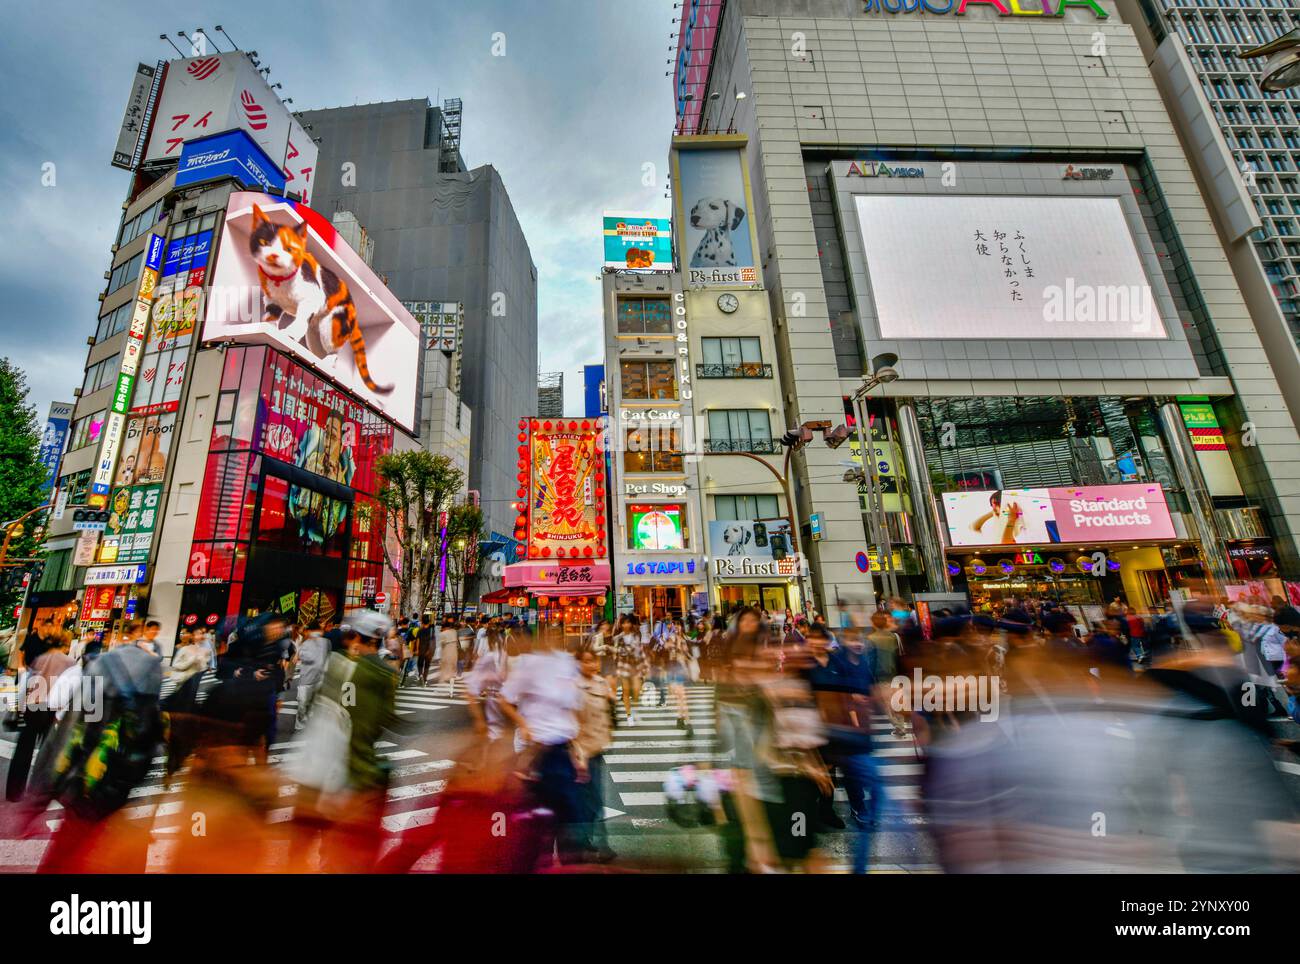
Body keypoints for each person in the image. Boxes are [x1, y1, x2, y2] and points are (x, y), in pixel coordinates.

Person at [498, 624, 585, 863]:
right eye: (550, 634)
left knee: (570, 823)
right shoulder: (529, 664)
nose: (554, 639)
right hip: (537, 753)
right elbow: (504, 700)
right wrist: (524, 726)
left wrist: (578, 753)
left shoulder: (567, 663)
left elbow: (571, 711)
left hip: (562, 751)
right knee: (536, 828)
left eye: (559, 634)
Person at [5, 632, 74, 801]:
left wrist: (19, 708)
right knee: (48, 752)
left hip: (32, 707)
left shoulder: (40, 659)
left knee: (23, 750)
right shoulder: (70, 663)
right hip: (51, 710)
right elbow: (68, 692)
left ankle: (14, 792)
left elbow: (26, 684)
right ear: (65, 645)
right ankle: (39, 791)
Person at [574, 648, 617, 863]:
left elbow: (609, 713)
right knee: (591, 802)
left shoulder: (601, 683)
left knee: (593, 801)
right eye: (587, 661)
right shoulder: (573, 687)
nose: (592, 665)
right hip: (581, 753)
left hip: (598, 749)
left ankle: (590, 843)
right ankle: (595, 844)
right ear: (578, 663)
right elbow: (570, 723)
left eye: (594, 661)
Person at [294, 619, 331, 731]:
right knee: (302, 703)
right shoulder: (305, 644)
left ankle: (309, 724)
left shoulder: (326, 642)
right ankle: (300, 725)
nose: (318, 633)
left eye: (319, 630)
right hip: (307, 678)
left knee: (313, 703)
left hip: (320, 678)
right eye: (315, 631)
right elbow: (303, 657)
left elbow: (328, 657)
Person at [614, 616, 645, 725]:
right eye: (624, 623)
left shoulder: (635, 636)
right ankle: (629, 716)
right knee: (626, 691)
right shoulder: (618, 637)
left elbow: (639, 652)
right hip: (623, 666)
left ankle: (634, 710)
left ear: (631, 624)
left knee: (636, 691)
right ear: (621, 625)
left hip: (634, 667)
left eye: (628, 623)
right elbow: (616, 652)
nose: (626, 625)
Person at [438, 616, 460, 696]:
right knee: (453, 672)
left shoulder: (442, 634)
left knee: (444, 671)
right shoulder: (454, 632)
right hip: (454, 653)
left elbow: (441, 646)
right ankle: (451, 690)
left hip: (446, 654)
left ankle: (441, 688)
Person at [414, 613, 435, 686]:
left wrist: (417, 649)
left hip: (421, 649)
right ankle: (425, 679)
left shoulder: (420, 630)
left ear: (422, 622)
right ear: (429, 622)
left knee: (420, 663)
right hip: (429, 650)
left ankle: (420, 674)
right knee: (427, 665)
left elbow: (418, 641)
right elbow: (432, 641)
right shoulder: (432, 631)